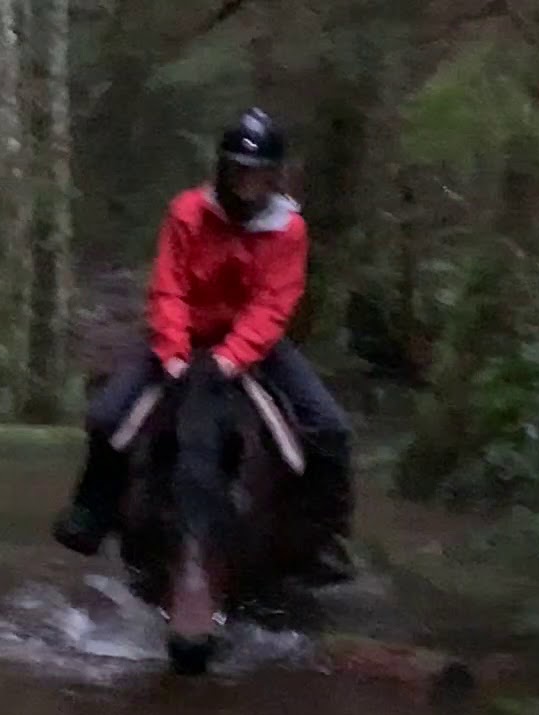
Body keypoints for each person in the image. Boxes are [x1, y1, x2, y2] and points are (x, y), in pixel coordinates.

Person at [52, 107, 354, 582]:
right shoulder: (188, 211)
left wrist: (231, 359)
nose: (247, 183)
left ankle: (325, 539)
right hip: (183, 335)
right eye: (239, 172)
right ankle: (92, 513)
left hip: (253, 344)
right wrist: (174, 353)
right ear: (223, 169)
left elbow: (274, 302)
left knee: (331, 428)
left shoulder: (288, 229)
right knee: (107, 417)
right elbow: (169, 286)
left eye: (258, 174)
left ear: (273, 177)